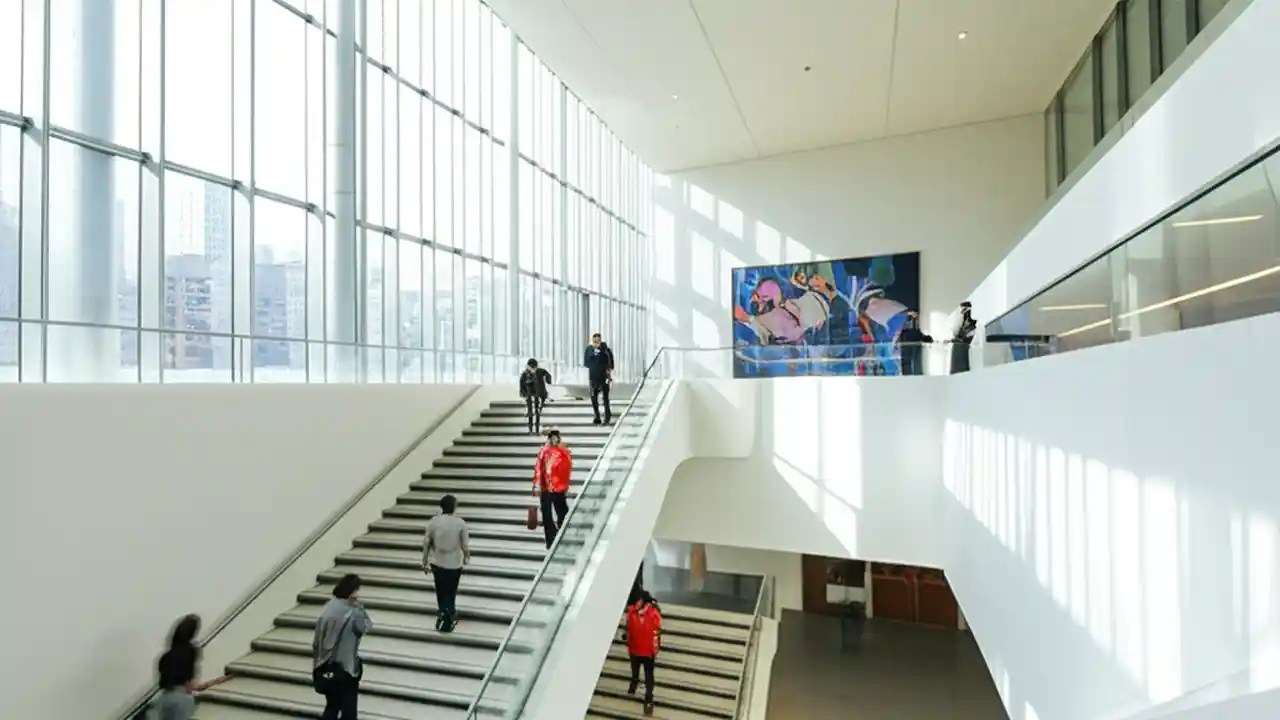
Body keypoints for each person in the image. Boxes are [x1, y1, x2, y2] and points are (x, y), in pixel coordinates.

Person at [313, 574, 372, 720]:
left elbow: (317, 640)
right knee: (349, 710)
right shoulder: (353, 611)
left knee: (332, 706)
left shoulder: (329, 607)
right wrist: (359, 607)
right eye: (357, 589)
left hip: (326, 666)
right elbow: (364, 627)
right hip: (346, 668)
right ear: (352, 591)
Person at [151, 614, 224, 720]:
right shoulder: (190, 652)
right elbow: (190, 683)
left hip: (164, 699)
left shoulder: (165, 657)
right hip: (182, 701)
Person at [423, 494, 470, 634]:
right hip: (454, 562)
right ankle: (450, 612)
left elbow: (426, 542)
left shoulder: (433, 522)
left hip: (437, 561)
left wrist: (424, 560)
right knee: (451, 589)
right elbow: (465, 545)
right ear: (454, 507)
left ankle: (443, 611)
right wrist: (466, 556)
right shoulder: (460, 523)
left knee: (440, 589)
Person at [533, 429, 572, 549]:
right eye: (553, 438)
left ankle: (563, 532)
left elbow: (567, 468)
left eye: (557, 437)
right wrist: (537, 484)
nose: (556, 440)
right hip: (546, 488)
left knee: (562, 511)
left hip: (558, 486)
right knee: (547, 515)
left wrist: (565, 484)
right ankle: (551, 540)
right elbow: (538, 468)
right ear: (550, 438)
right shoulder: (544, 451)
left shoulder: (563, 451)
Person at [626, 591, 663, 716]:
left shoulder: (653, 614)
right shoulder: (631, 612)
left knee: (649, 677)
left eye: (639, 601)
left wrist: (655, 648)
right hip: (634, 650)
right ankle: (634, 683)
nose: (637, 603)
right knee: (635, 670)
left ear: (645, 602)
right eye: (636, 600)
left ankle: (649, 699)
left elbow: (657, 632)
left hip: (647, 651)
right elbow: (628, 628)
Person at [583, 333, 615, 425]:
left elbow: (611, 363)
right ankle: (597, 416)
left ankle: (607, 416)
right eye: (595, 342)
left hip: (604, 377)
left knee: (605, 398)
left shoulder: (606, 350)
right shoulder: (589, 350)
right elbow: (586, 363)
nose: (596, 343)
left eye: (598, 341)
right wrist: (594, 356)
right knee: (593, 397)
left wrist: (608, 372)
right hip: (593, 377)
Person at [519, 358, 553, 435]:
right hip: (530, 395)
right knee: (530, 413)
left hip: (539, 395)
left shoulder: (540, 371)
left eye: (534, 368)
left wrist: (548, 381)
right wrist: (523, 394)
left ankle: (536, 430)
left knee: (537, 412)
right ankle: (531, 430)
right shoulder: (525, 374)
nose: (533, 369)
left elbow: (548, 375)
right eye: (531, 368)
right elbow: (521, 384)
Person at [899, 310, 934, 376]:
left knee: (911, 367)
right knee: (913, 367)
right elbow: (922, 337)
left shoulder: (905, 332)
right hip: (911, 358)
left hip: (910, 359)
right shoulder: (909, 331)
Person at [950, 301, 978, 375]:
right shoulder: (964, 324)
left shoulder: (972, 325)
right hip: (960, 351)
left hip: (963, 351)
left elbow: (955, 331)